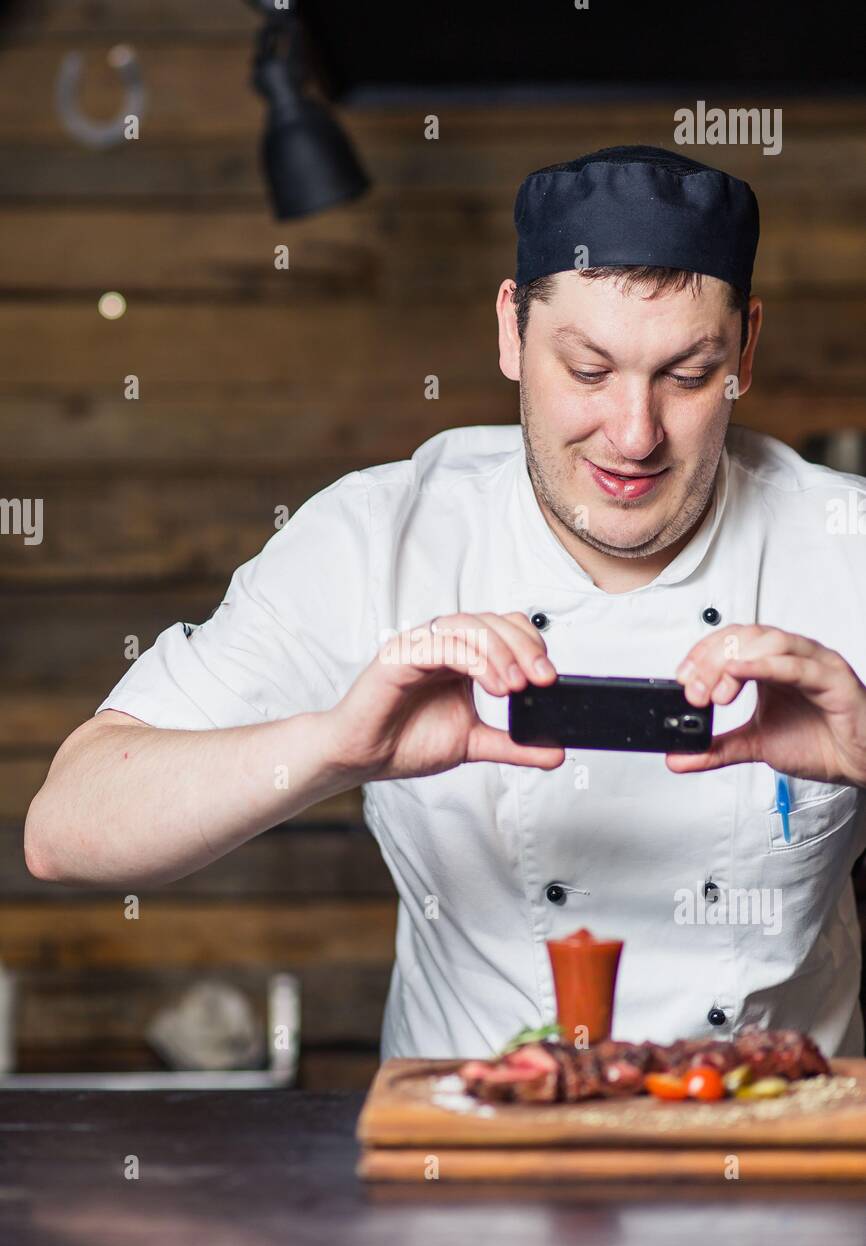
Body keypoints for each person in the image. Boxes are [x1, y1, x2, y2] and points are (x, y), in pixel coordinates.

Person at [25, 146, 866, 1060]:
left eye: (689, 375)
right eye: (588, 371)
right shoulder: (377, 538)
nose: (634, 435)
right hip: (465, 1132)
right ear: (511, 331)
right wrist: (334, 746)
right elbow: (67, 829)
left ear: (745, 348)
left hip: (782, 1134)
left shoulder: (843, 542)